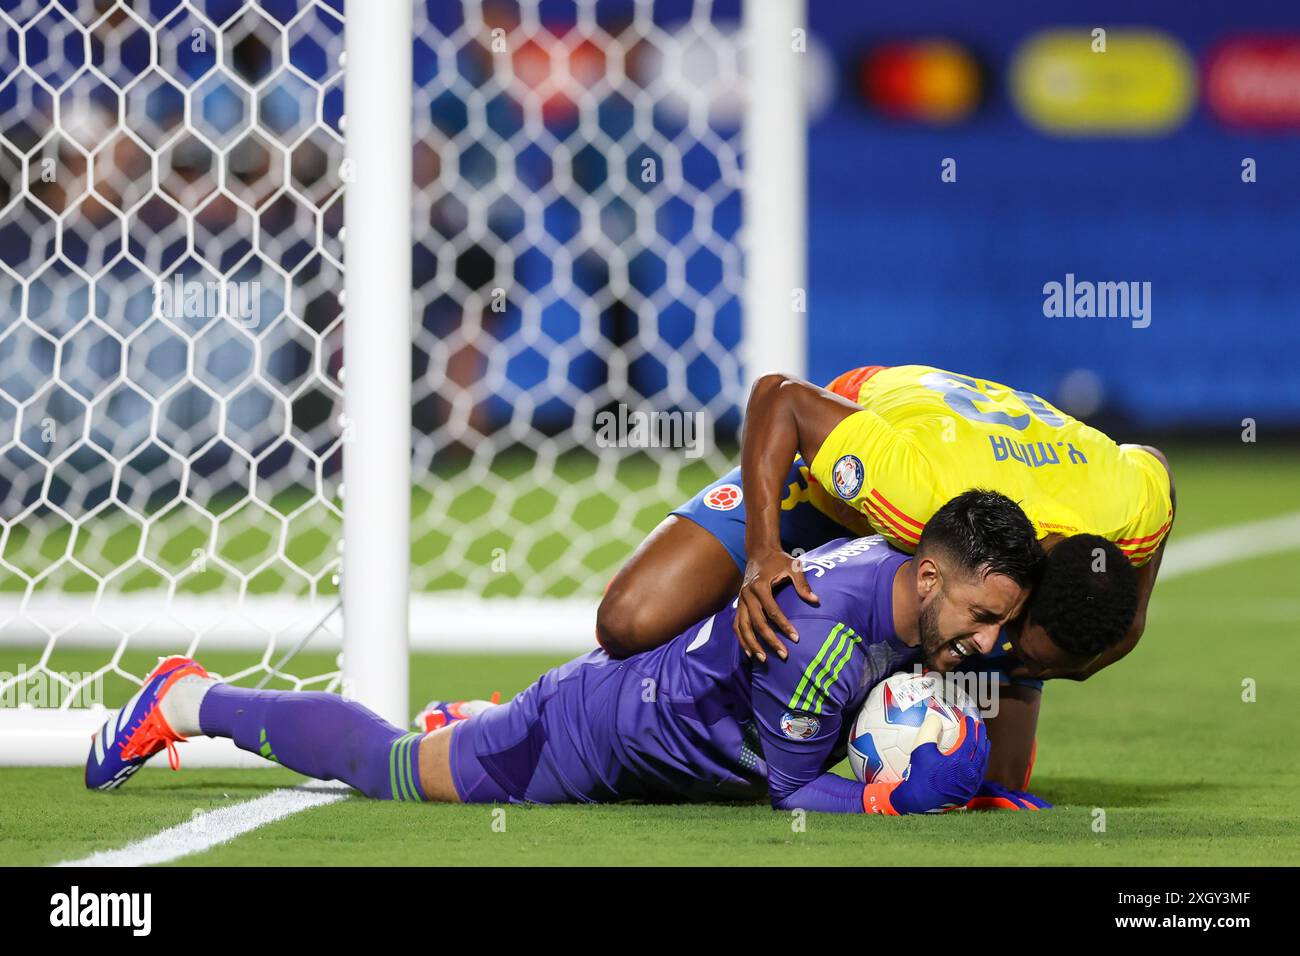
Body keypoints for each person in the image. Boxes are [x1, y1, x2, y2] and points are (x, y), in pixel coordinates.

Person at [86, 491, 1047, 814]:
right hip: (594, 737)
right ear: (927, 579)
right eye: (980, 616)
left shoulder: (898, 566)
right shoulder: (821, 639)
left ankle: (470, 716)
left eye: (1000, 623)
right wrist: (901, 799)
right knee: (390, 774)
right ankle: (191, 699)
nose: (989, 643)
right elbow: (795, 792)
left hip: (664, 732)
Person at [595, 364, 1169, 788]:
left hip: (980, 495)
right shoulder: (917, 493)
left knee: (991, 790)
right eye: (1021, 651)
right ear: (1018, 596)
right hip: (834, 466)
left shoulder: (1130, 509)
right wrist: (763, 553)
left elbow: (1157, 468)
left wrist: (1134, 622)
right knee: (628, 621)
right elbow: (781, 397)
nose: (1001, 656)